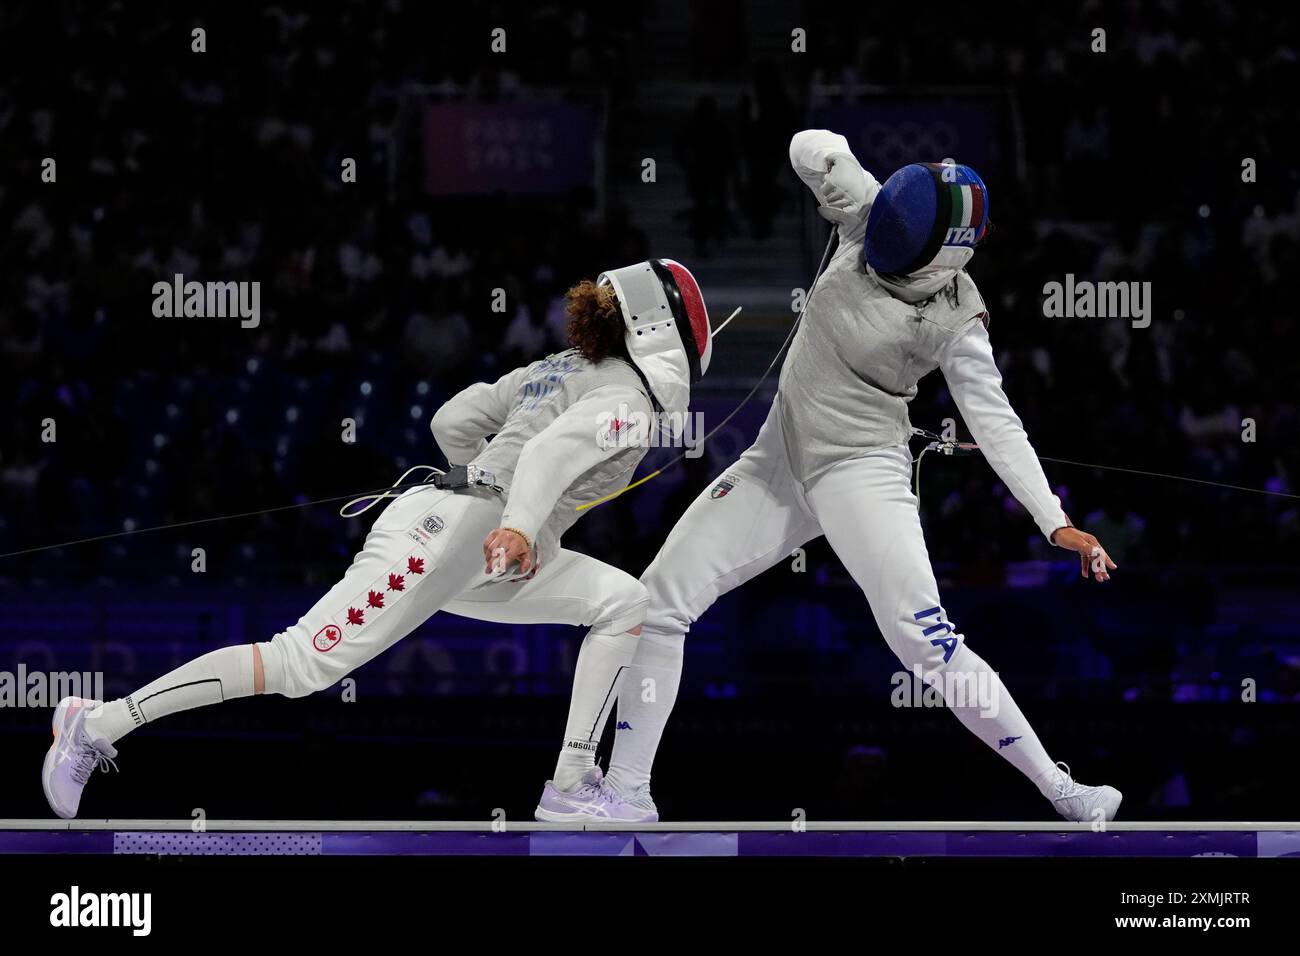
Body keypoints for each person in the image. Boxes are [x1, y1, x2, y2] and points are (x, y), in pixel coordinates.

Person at [42, 259, 716, 824]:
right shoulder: (626, 395)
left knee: (624, 603)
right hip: (455, 535)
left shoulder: (557, 366)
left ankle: (572, 783)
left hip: (472, 541)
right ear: (662, 329)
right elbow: (546, 455)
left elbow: (454, 419)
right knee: (300, 666)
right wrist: (515, 520)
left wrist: (501, 502)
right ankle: (98, 722)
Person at [588, 130, 1123, 824]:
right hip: (776, 462)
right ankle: (628, 793)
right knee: (656, 600)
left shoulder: (957, 318)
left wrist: (1054, 520)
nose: (879, 248)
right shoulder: (868, 214)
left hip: (862, 472)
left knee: (922, 639)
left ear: (940, 259)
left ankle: (1062, 790)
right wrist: (829, 163)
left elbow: (996, 423)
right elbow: (808, 145)